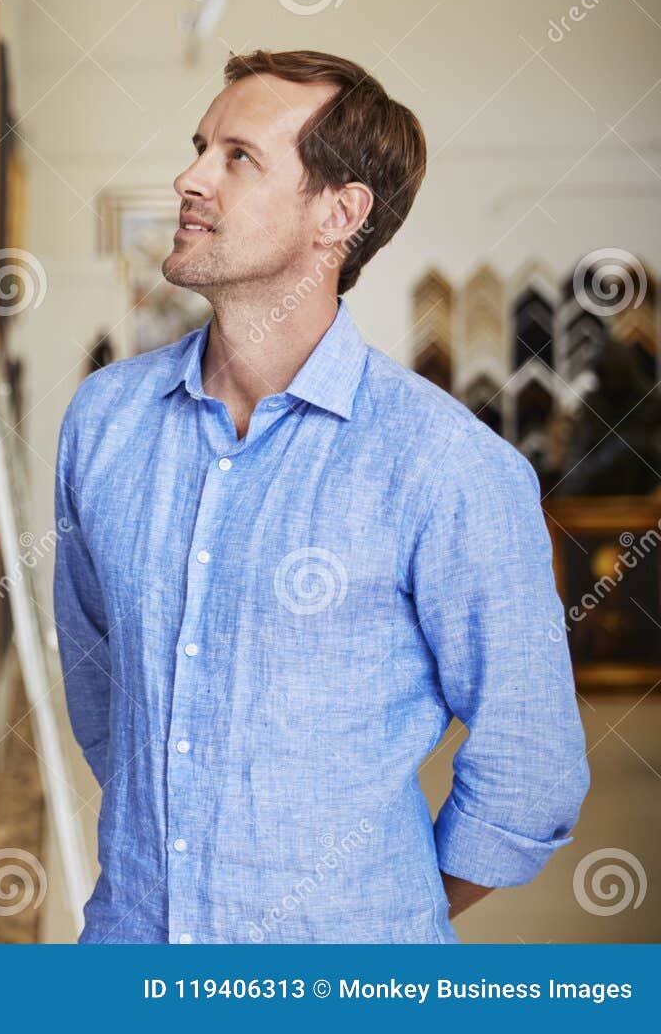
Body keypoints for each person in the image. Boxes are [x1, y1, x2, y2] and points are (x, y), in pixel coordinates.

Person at [53, 49, 589, 943]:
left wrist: (372, 914)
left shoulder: (448, 465)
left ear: (338, 214)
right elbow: (102, 680)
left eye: (239, 157)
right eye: (199, 147)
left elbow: (530, 765)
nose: (188, 178)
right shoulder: (106, 420)